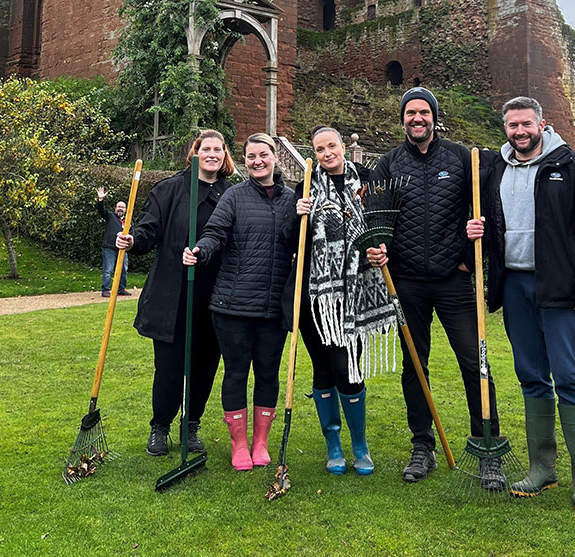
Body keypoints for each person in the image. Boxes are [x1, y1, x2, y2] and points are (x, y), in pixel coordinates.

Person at [466, 96, 575, 511]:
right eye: (513, 125)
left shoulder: (569, 164)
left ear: (542, 124)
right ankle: (542, 467)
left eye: (526, 124)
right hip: (515, 285)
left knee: (570, 378)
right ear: (505, 129)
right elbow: (489, 219)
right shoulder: (496, 169)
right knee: (531, 376)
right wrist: (477, 230)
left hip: (561, 288)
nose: (520, 131)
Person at [365, 86, 502, 485]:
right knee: (415, 364)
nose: (417, 118)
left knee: (475, 362)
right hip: (407, 282)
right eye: (410, 113)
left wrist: (473, 249)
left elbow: (488, 207)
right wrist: (377, 247)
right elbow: (376, 217)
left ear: (434, 117)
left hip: (453, 279)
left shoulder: (461, 157)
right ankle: (422, 446)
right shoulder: (388, 165)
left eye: (424, 112)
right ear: (402, 119)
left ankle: (487, 447)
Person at [183, 133, 310, 471]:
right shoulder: (234, 196)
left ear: (275, 157)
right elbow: (215, 233)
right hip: (232, 306)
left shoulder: (292, 199)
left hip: (274, 307)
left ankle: (261, 441)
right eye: (251, 156)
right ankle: (239, 443)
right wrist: (201, 250)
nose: (257, 161)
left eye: (263, 154)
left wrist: (302, 217)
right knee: (236, 373)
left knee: (268, 373)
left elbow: (298, 243)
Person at [281, 126, 397, 476]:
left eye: (331, 146)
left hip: (355, 291)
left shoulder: (368, 180)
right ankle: (333, 445)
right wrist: (297, 215)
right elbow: (290, 241)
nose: (326, 153)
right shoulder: (304, 186)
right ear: (314, 153)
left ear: (343, 146)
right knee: (322, 368)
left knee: (348, 367)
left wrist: (382, 249)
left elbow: (381, 225)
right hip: (316, 297)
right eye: (319, 149)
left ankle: (359, 445)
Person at [115, 130, 236, 456]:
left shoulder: (231, 195)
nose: (212, 154)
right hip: (172, 294)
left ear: (225, 155)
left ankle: (190, 425)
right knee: (169, 368)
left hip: (213, 296)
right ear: (195, 153)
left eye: (218, 149)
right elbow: (148, 230)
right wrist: (133, 240)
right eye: (206, 148)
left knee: (204, 367)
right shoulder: (169, 189)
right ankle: (160, 426)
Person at [96, 188, 131, 297]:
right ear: (115, 208)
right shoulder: (110, 216)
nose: (120, 208)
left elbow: (133, 232)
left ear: (125, 209)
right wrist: (100, 200)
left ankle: (121, 289)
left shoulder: (128, 221)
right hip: (109, 248)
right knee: (108, 269)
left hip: (122, 249)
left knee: (123, 270)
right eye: (118, 207)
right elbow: (101, 211)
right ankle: (105, 290)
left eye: (122, 207)